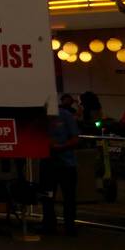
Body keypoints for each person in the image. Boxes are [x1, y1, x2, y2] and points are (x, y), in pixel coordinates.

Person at [40, 94, 80, 236]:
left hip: (66, 163)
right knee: (47, 196)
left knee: (69, 196)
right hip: (48, 163)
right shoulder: (41, 118)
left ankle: (69, 225)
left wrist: (59, 146)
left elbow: (75, 139)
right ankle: (49, 224)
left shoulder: (66, 116)